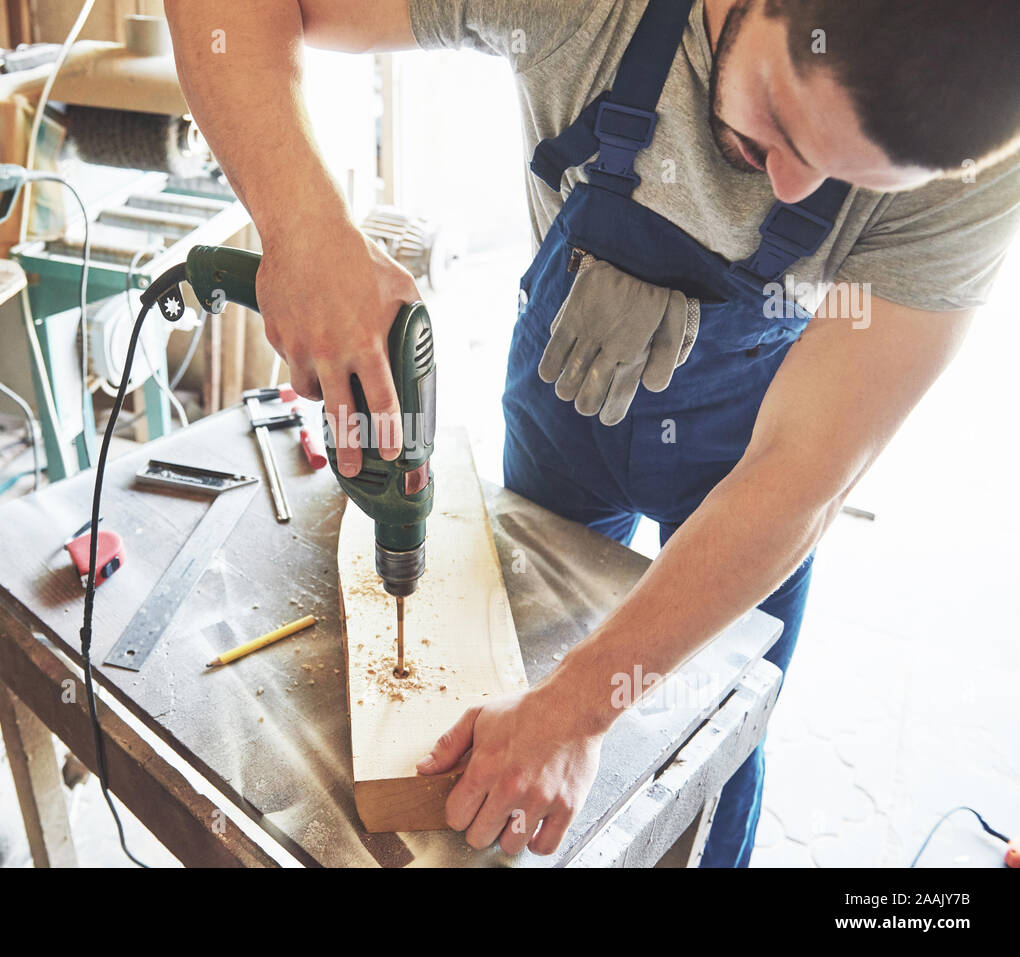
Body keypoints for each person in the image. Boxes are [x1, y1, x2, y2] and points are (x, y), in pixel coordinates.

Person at [165, 0, 1020, 865]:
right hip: (565, 401)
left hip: (750, 450)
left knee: (711, 727)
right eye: (784, 122)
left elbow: (801, 475)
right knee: (509, 669)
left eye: (858, 181)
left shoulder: (982, 158)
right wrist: (305, 227)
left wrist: (582, 707)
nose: (794, 188)